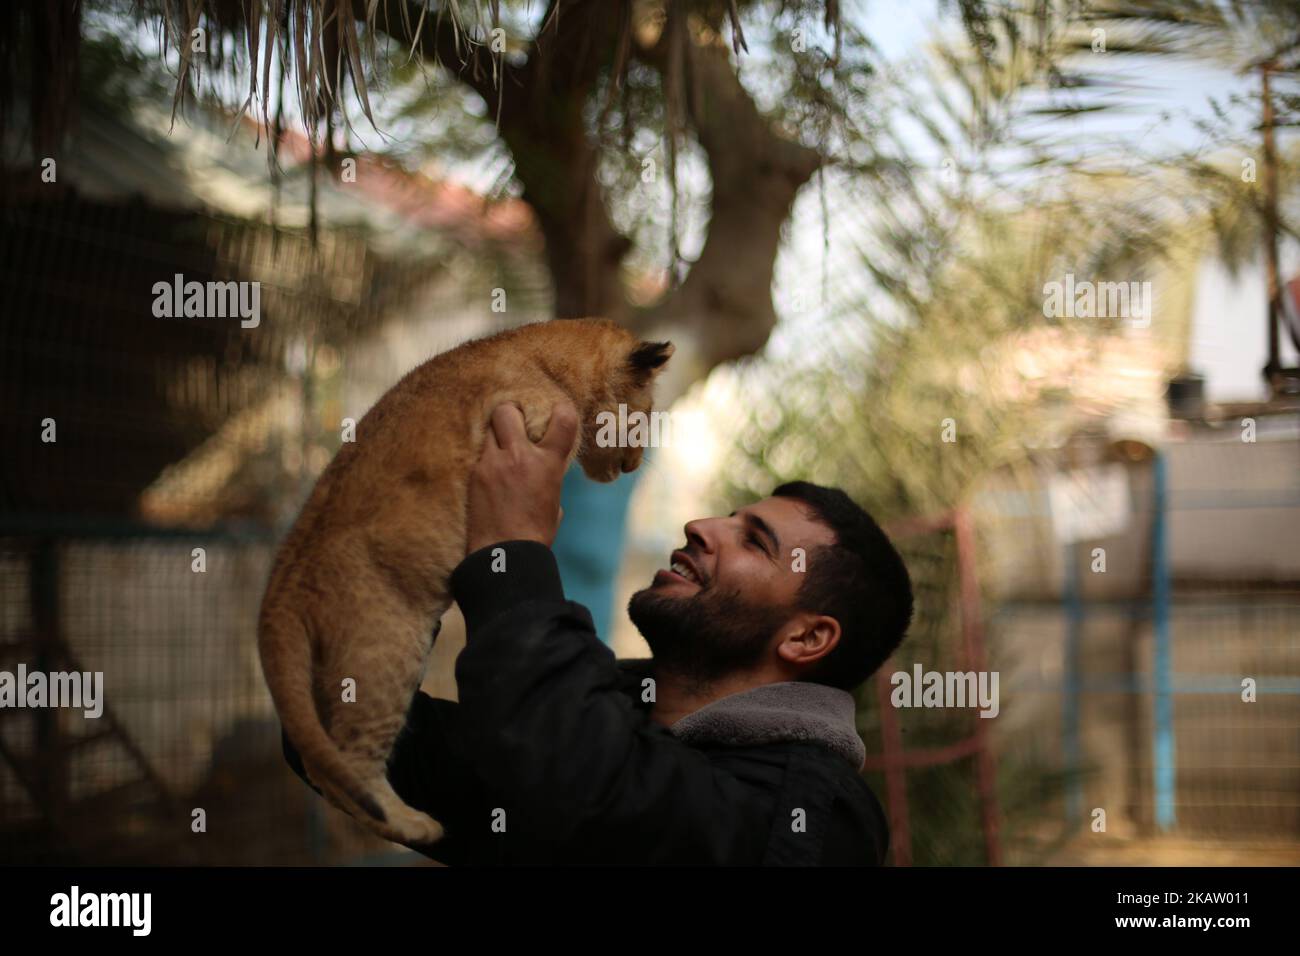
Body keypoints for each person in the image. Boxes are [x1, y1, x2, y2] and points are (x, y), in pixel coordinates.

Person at [283, 401, 913, 865]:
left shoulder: (815, 821)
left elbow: (591, 791)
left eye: (754, 541)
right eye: (728, 515)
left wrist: (511, 555)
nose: (701, 525)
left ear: (807, 639)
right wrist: (417, 563)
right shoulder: (593, 722)